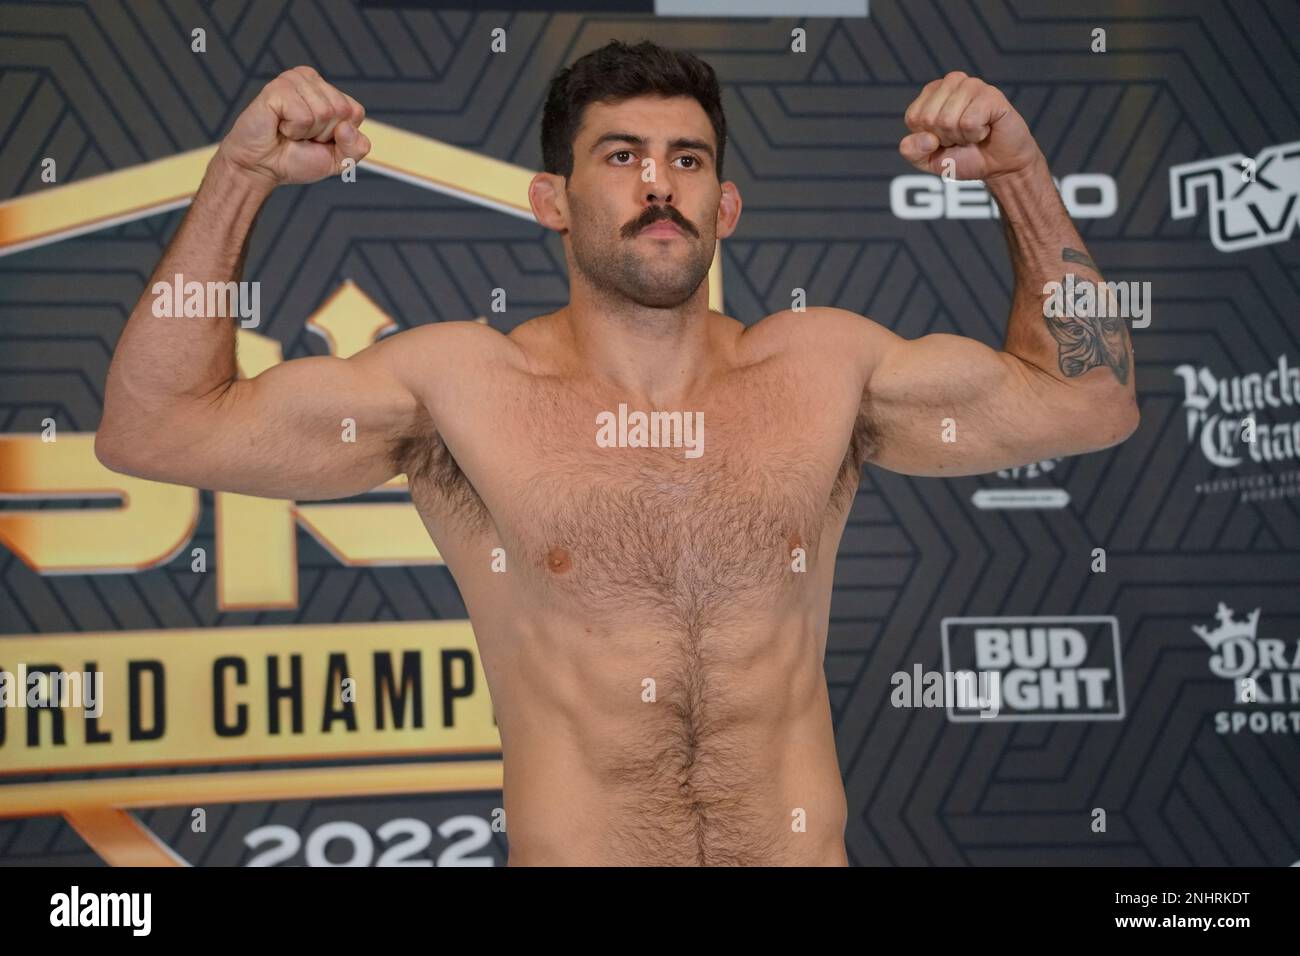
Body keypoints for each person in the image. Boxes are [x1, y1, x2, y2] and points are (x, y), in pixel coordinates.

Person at [96, 41, 1139, 866]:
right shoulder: (459, 389)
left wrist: (1017, 173)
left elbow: (1090, 398)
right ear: (552, 201)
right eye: (620, 155)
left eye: (687, 160)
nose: (659, 183)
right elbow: (158, 424)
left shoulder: (824, 371)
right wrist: (240, 176)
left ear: (722, 209)